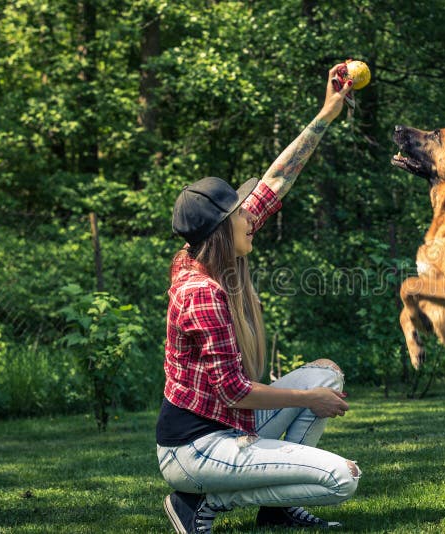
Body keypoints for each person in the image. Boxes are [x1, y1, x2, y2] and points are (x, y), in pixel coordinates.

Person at [157, 64, 359, 534]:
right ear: (222, 229)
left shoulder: (214, 253)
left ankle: (277, 510)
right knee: (340, 477)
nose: (250, 217)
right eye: (239, 214)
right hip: (195, 448)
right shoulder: (201, 292)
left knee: (326, 374)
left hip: (226, 425)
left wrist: (326, 113)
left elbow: (277, 179)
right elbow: (233, 391)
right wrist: (310, 399)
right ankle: (197, 505)